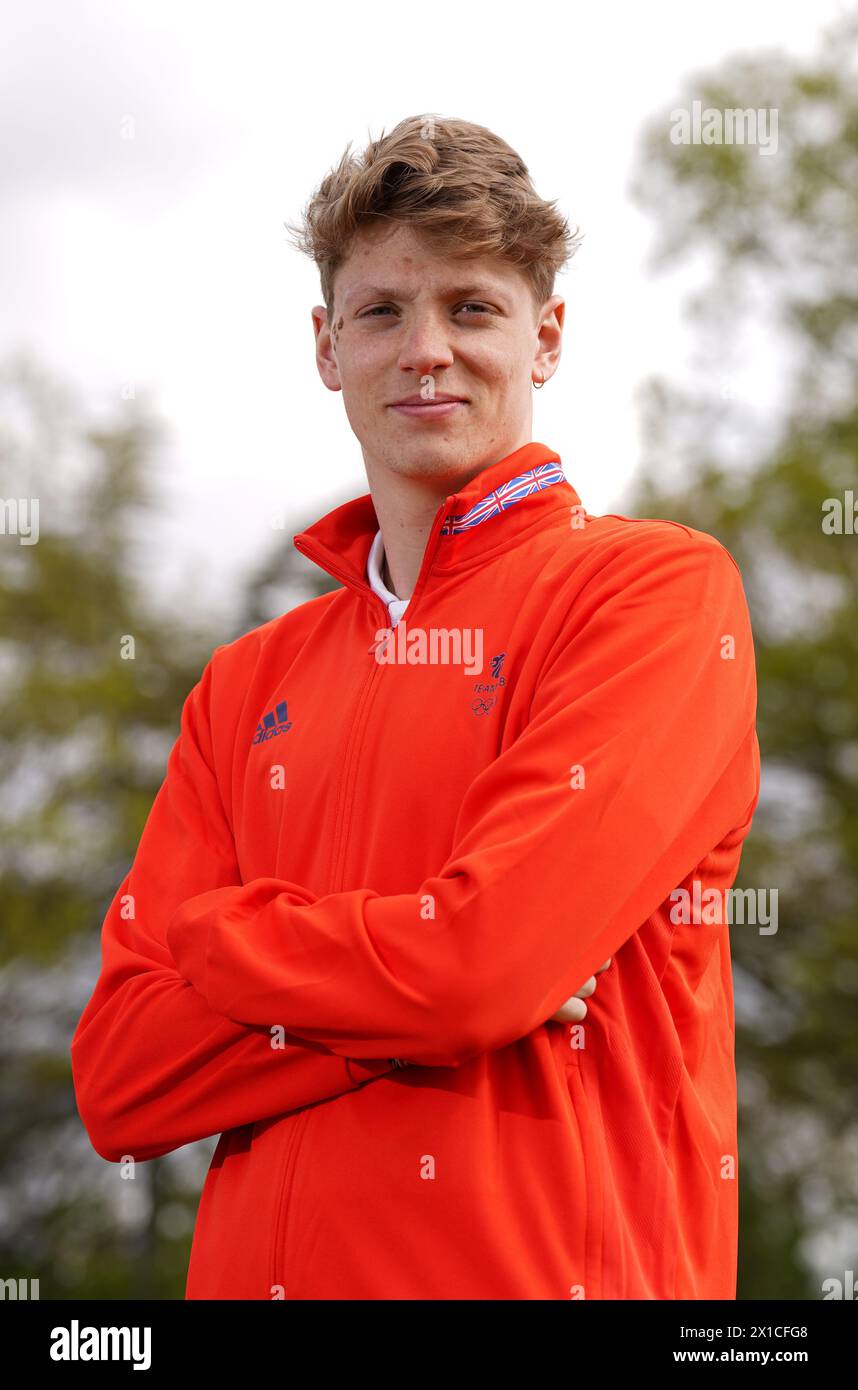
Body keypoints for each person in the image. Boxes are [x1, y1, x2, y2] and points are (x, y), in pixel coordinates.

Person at [71, 114, 760, 1300]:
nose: (425, 348)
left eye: (473, 308)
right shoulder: (245, 686)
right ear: (328, 347)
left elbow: (481, 971)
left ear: (546, 339)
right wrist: (433, 968)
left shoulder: (652, 592)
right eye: (383, 310)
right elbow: (123, 1080)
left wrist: (224, 939)